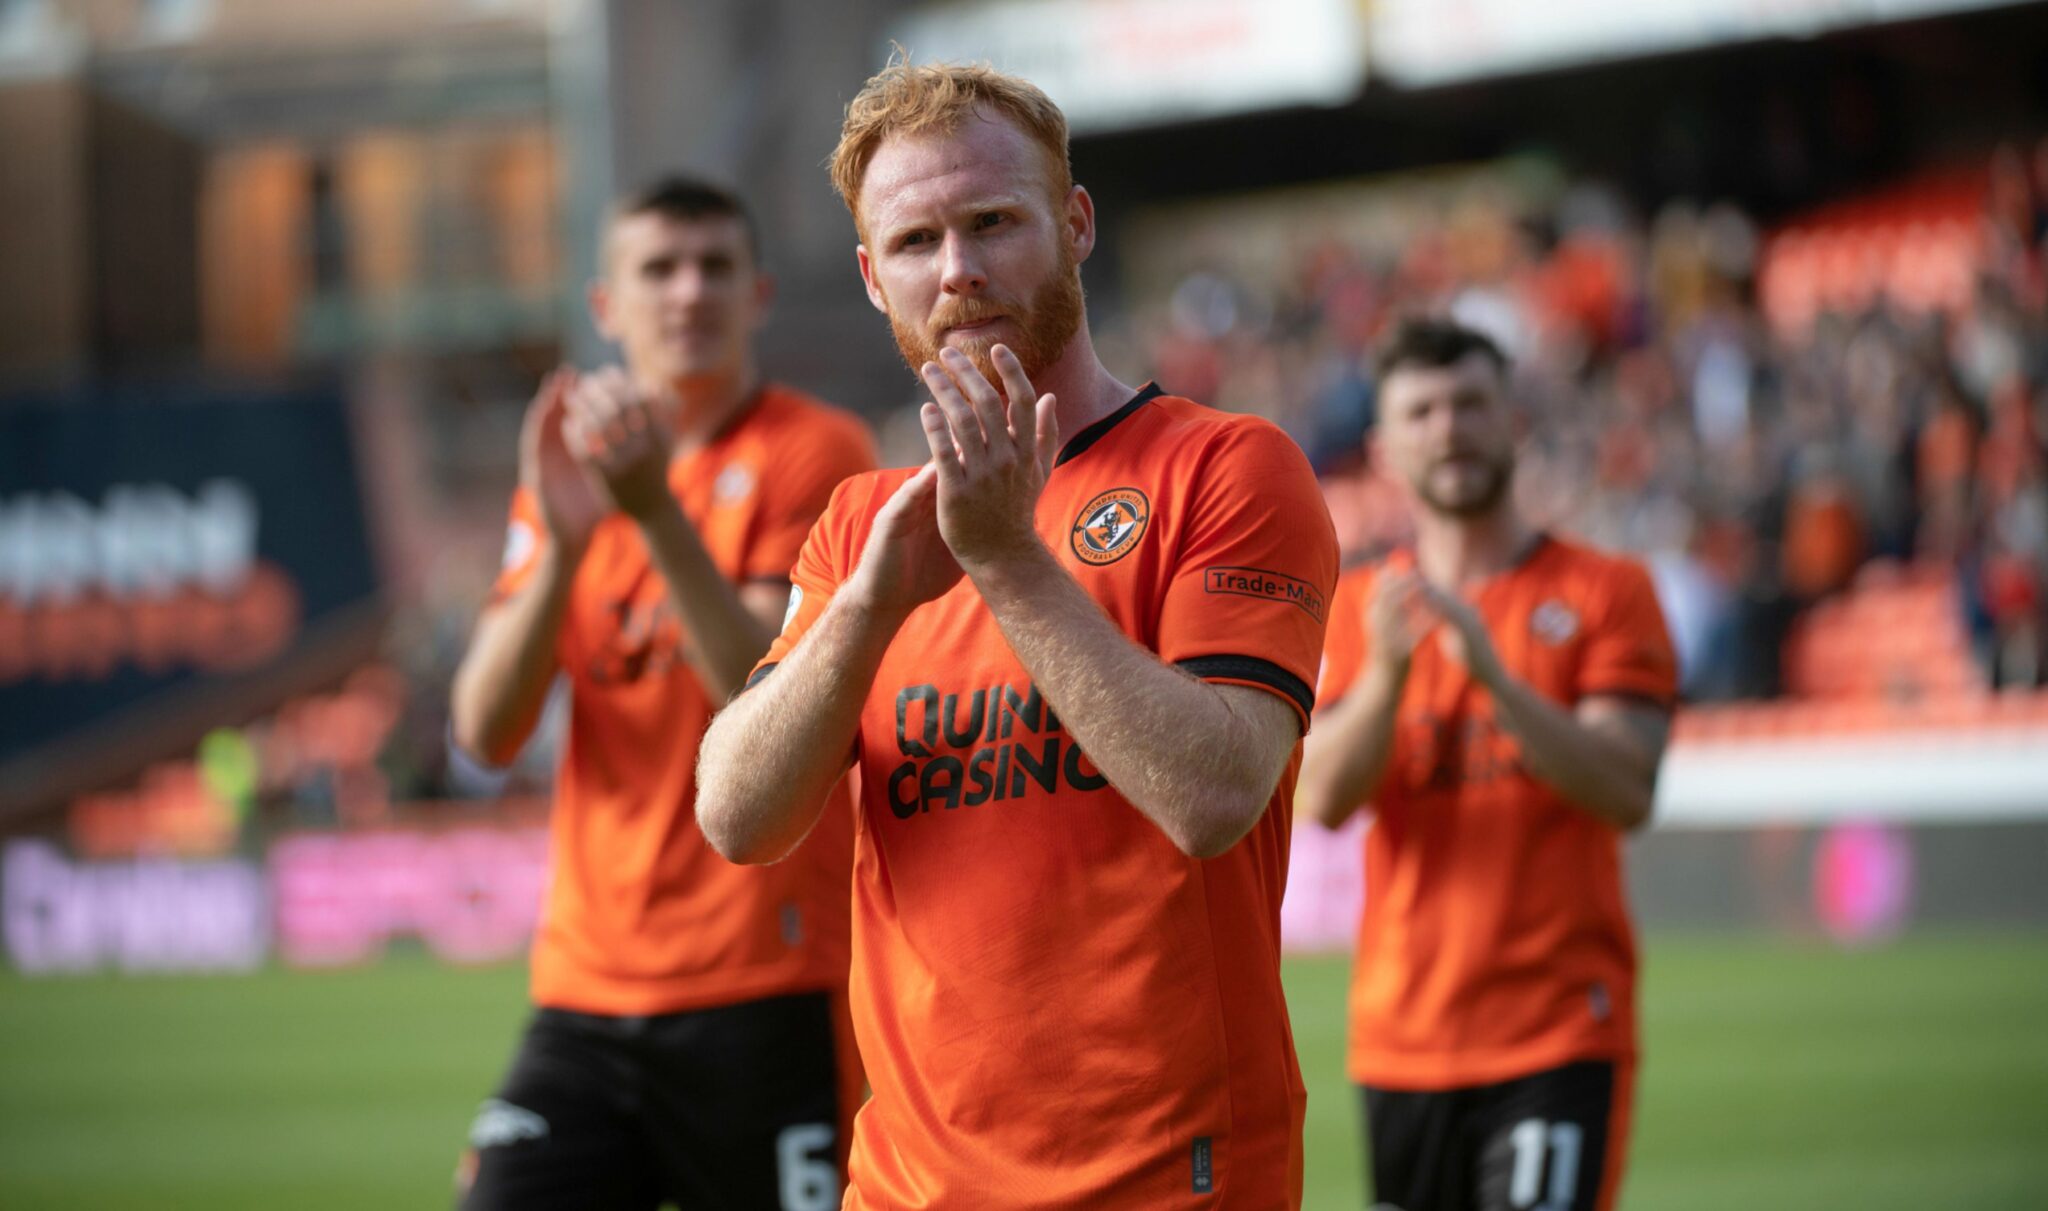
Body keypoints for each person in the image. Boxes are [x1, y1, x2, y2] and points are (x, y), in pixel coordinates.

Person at [695, 61, 1338, 1208]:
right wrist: (867, 606)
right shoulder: (860, 526)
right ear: (871, 277)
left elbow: (1212, 793)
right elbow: (737, 815)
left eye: (992, 221)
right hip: (907, 1186)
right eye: (914, 241)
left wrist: (1004, 559)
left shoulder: (1224, 468)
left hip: (1164, 1178)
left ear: (1074, 224)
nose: (957, 269)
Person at [447, 177, 876, 1211]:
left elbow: (765, 694)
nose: (689, 292)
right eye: (659, 269)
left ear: (758, 293)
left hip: (767, 981)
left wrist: (651, 513)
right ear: (606, 305)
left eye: (715, 266)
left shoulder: (813, 450)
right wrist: (561, 543)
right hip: (588, 984)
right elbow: (484, 731)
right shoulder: (568, 469)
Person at [1296, 317, 1678, 1211]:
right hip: (1404, 1036)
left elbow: (1627, 788)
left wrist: (1496, 679)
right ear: (1385, 451)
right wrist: (1388, 676)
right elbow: (1320, 798)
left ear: (1514, 421)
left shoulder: (1605, 590)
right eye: (1421, 412)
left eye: (1471, 403)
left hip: (1556, 1030)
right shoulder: (1360, 608)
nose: (1449, 428)